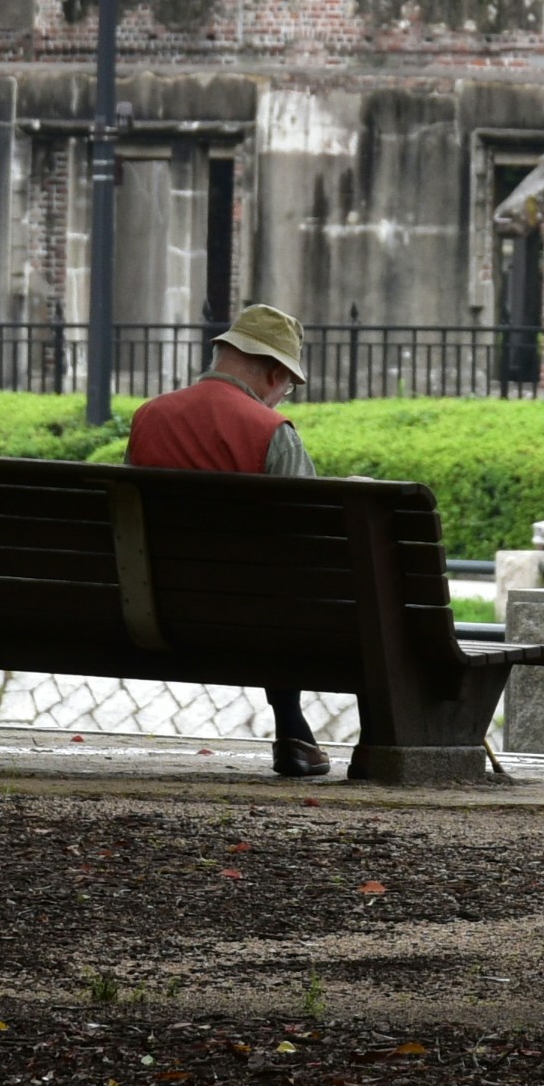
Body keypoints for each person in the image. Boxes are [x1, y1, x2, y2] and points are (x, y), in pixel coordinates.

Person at [127, 302, 334, 778]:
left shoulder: (149, 417)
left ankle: (295, 730)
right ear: (273, 373)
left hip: (155, 608)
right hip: (253, 621)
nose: (284, 396)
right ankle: (296, 732)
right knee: (288, 592)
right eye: (288, 386)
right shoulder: (270, 432)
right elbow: (312, 540)